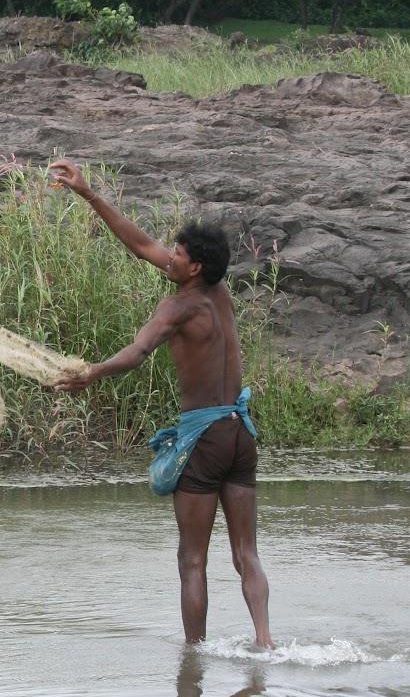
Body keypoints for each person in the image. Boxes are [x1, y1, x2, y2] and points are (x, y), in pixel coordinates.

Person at [47, 161, 274, 649]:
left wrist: (91, 374)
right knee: (245, 553)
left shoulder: (177, 307)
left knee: (191, 560)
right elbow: (141, 244)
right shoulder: (219, 293)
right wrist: (89, 195)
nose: (166, 256)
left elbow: (137, 352)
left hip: (204, 437)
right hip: (240, 433)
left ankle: (194, 657)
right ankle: (265, 642)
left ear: (192, 268)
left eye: (176, 253)